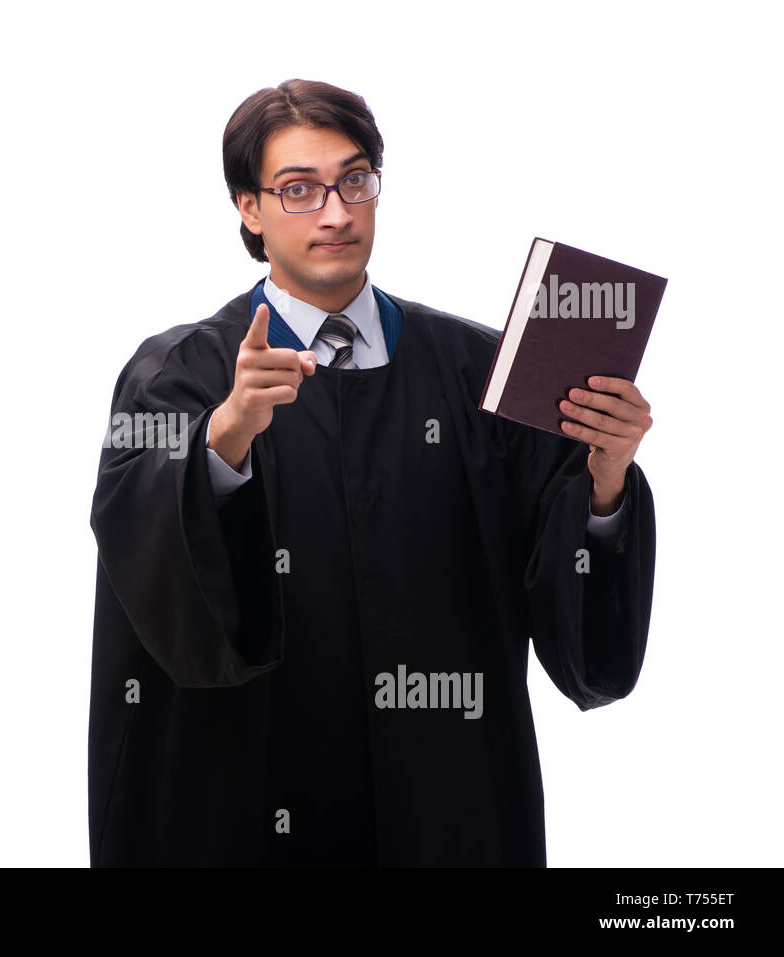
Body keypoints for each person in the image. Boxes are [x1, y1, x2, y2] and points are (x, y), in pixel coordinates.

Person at [87, 79, 656, 867]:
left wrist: (606, 480)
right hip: (248, 801)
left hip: (447, 803)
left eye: (356, 180)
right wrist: (225, 441)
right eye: (298, 189)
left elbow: (570, 593)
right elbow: (146, 560)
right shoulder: (180, 376)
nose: (336, 211)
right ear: (248, 209)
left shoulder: (484, 375)